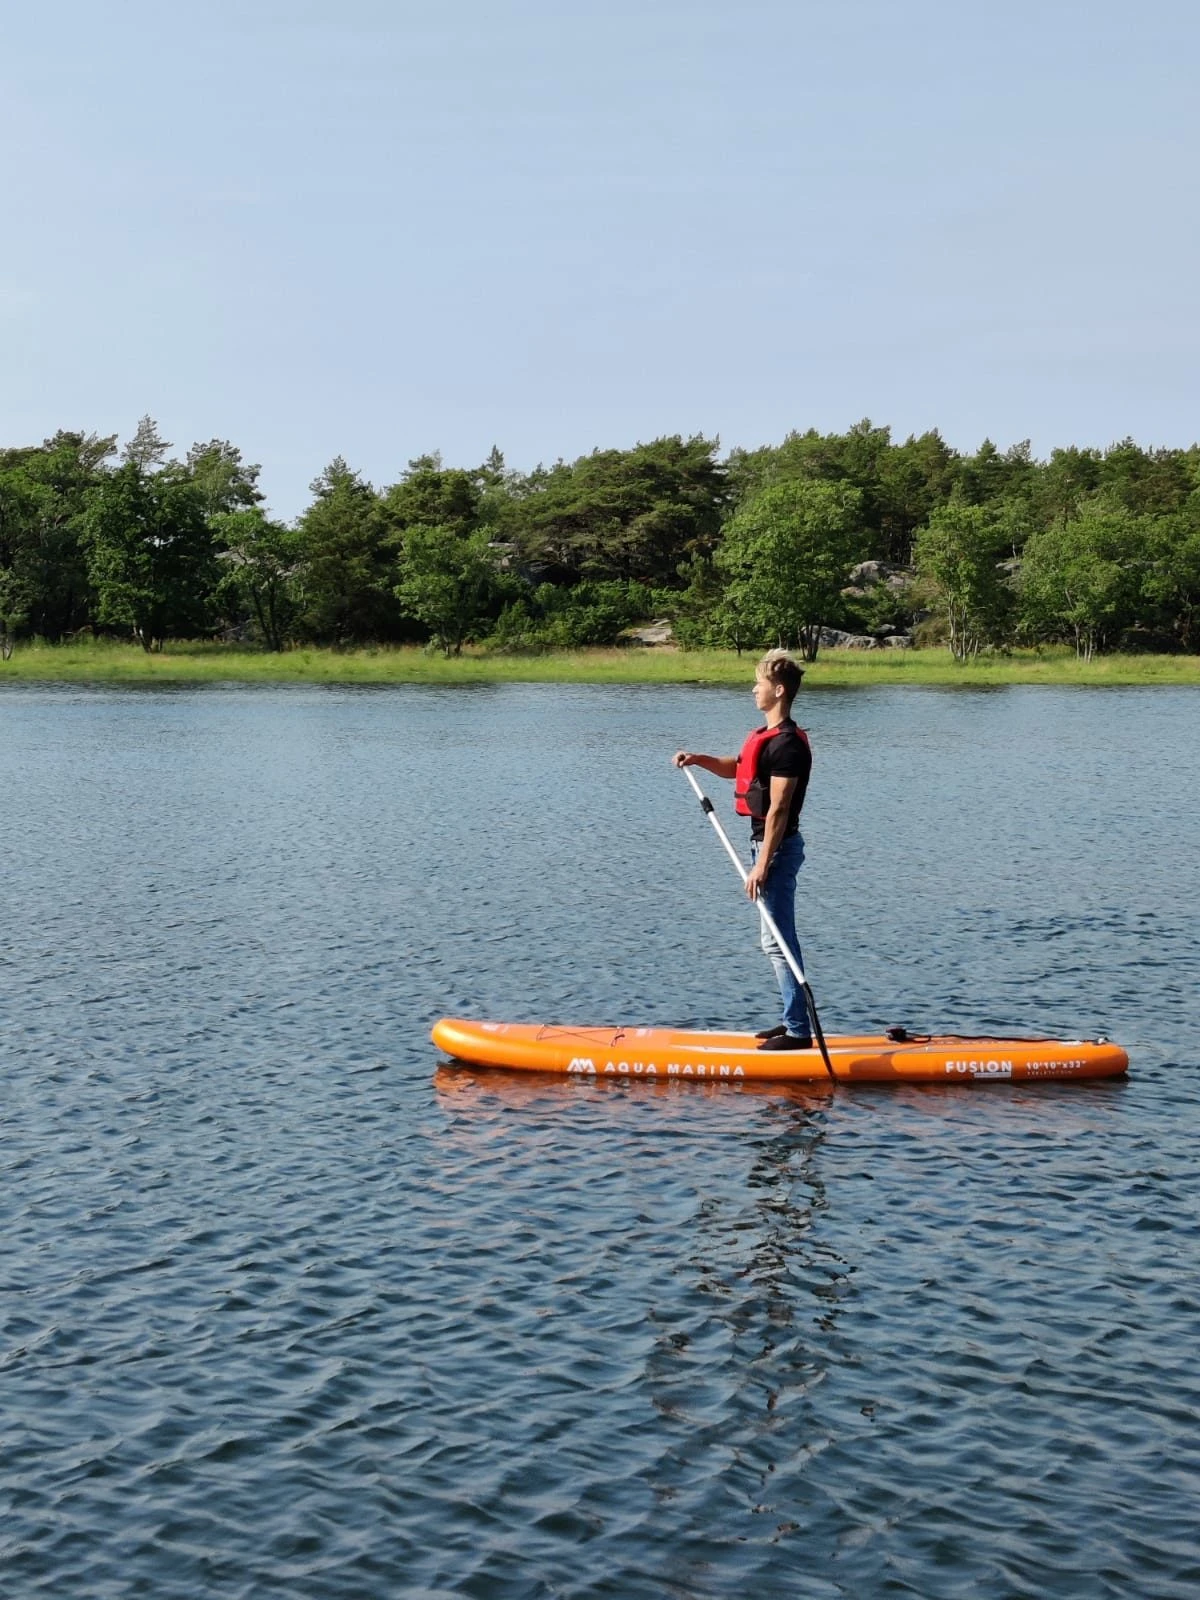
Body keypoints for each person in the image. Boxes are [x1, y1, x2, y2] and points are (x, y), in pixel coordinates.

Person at [673, 649, 813, 1050]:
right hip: (765, 847)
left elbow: (779, 809)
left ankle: (799, 1032)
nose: (754, 689)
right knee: (776, 938)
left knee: (777, 940)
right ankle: (792, 1021)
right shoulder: (765, 738)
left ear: (779, 690)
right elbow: (737, 767)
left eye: (760, 683)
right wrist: (698, 760)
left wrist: (763, 865)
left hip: (777, 849)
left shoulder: (787, 744)